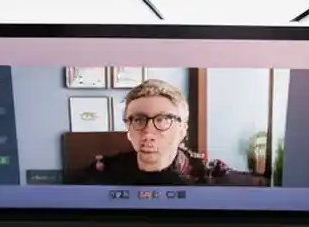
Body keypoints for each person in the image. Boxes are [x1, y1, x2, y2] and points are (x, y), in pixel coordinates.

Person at [70, 78, 260, 186]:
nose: (148, 132)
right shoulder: (103, 171)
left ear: (182, 130)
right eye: (138, 120)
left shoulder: (210, 175)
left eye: (162, 120)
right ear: (128, 129)